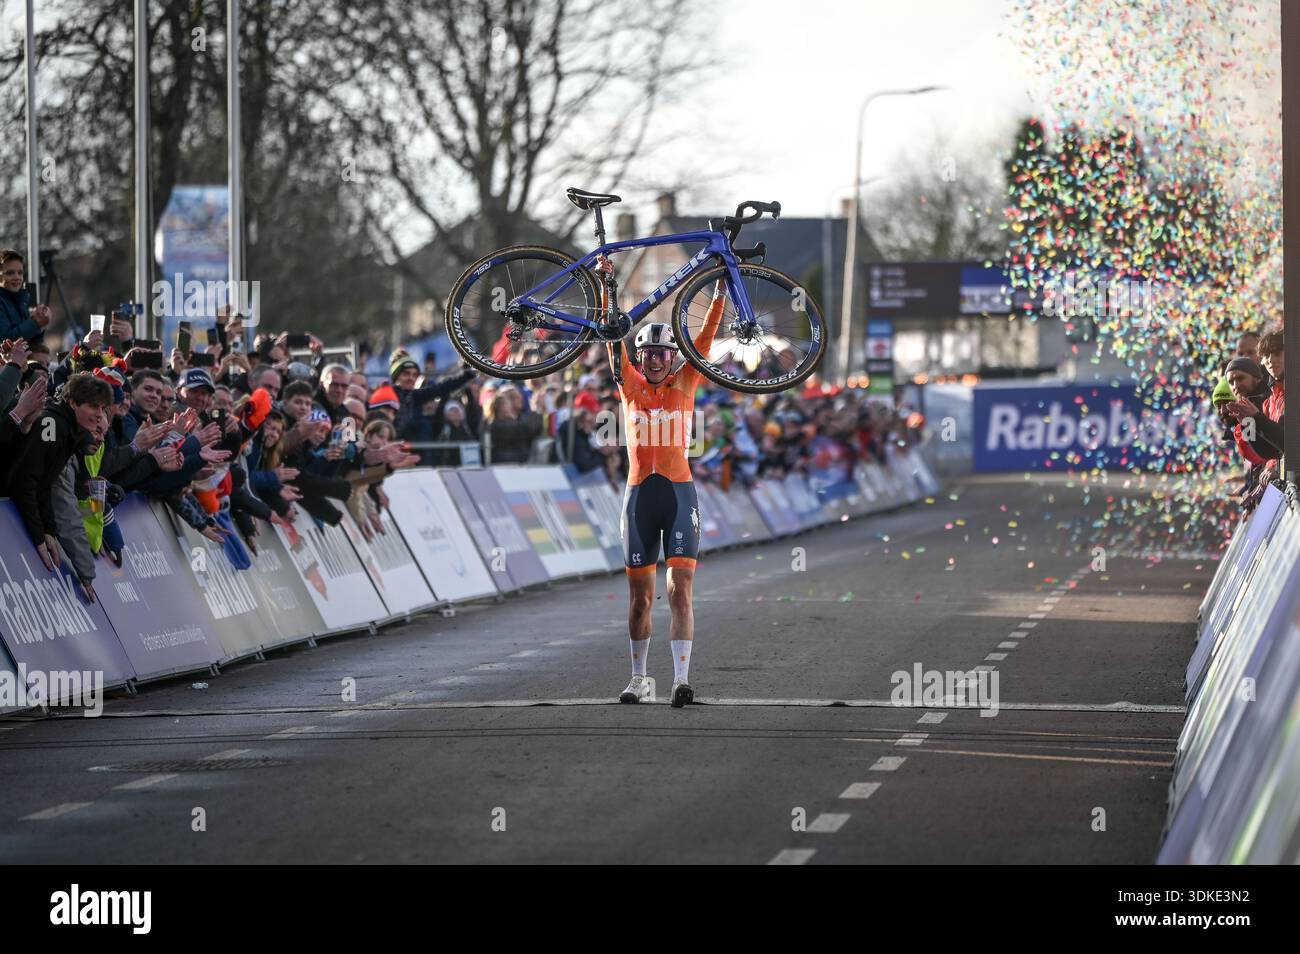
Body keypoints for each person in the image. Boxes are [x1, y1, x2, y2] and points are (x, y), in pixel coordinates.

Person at [608, 280, 725, 708]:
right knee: (639, 598)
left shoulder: (687, 379)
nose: (656, 360)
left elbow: (707, 337)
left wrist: (719, 295)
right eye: (649, 354)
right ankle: (638, 679)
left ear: (674, 358)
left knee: (679, 589)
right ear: (640, 358)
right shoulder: (628, 384)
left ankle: (680, 679)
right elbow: (610, 330)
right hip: (640, 496)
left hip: (678, 494)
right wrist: (606, 284)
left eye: (663, 353)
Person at [0, 250, 52, 341]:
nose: (17, 277)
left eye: (20, 273)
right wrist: (35, 324)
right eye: (10, 273)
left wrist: (41, 323)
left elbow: (34, 341)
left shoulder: (24, 299)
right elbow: (6, 340)